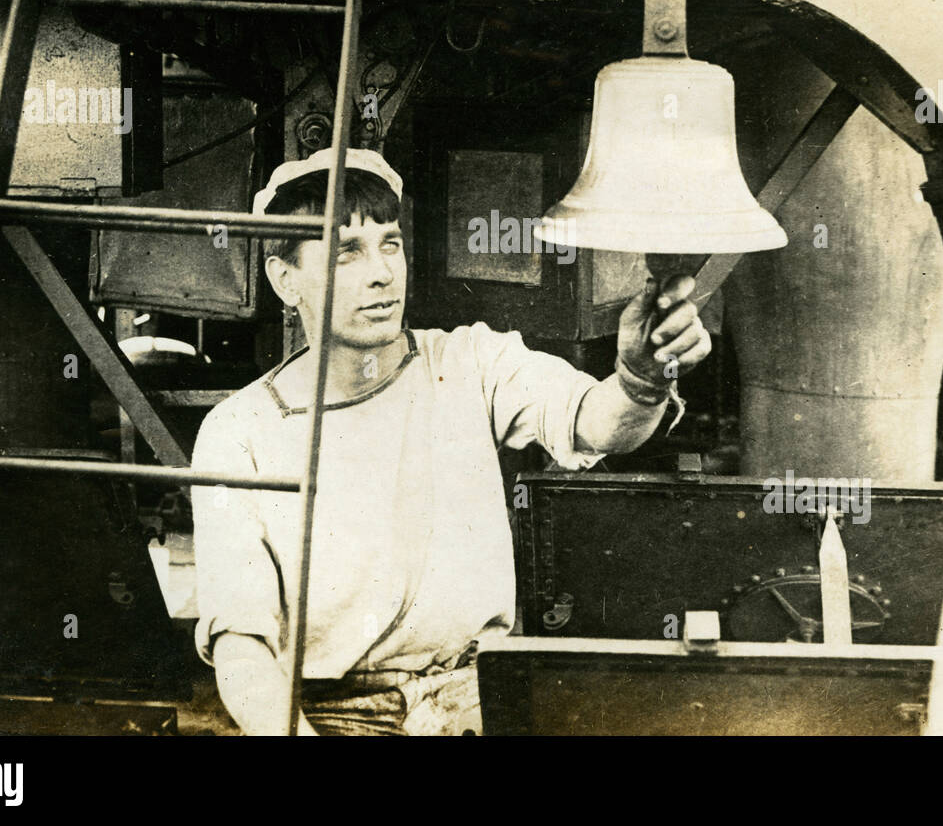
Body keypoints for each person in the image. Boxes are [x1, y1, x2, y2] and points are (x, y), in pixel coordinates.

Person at [190, 148, 710, 735]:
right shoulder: (239, 433)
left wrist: (641, 379)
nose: (382, 272)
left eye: (391, 243)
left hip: (476, 697)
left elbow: (596, 421)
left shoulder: (469, 361)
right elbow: (242, 649)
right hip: (332, 716)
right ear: (285, 280)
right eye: (346, 252)